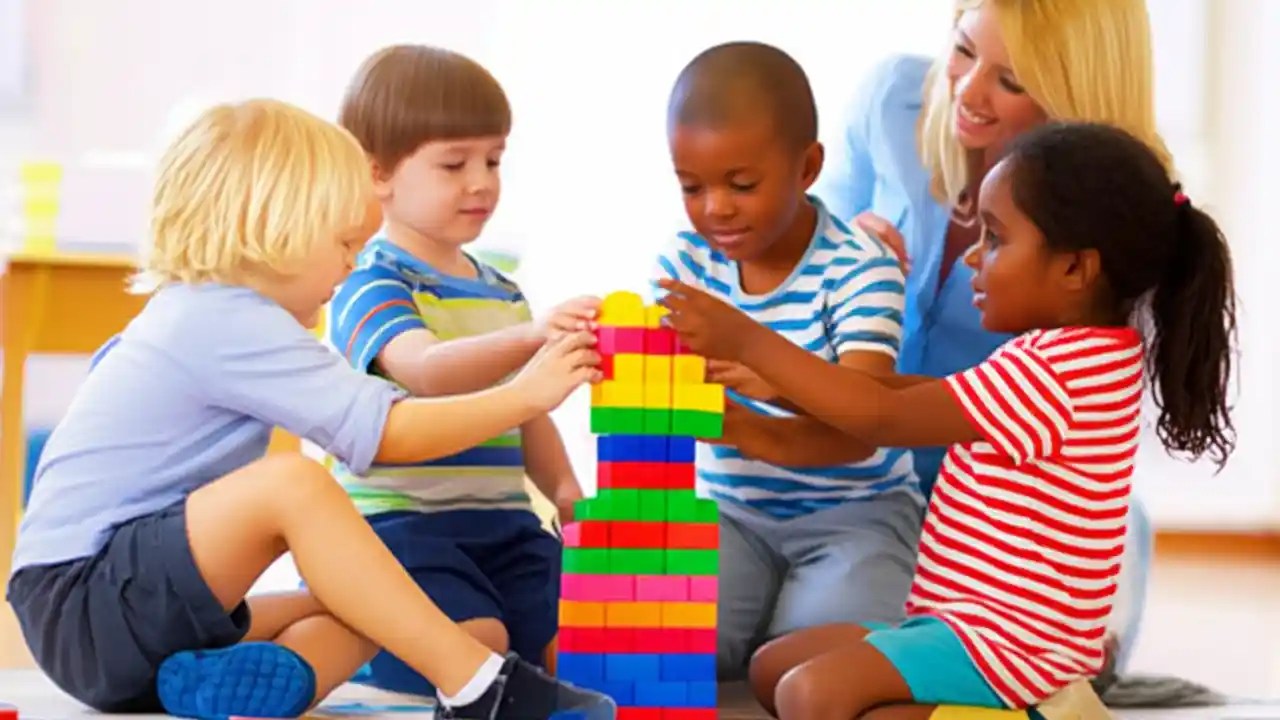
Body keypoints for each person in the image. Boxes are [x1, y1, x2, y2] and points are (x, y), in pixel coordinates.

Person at [5, 98, 615, 720]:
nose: (352, 264)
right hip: (85, 601)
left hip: (120, 624)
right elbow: (387, 433)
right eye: (345, 243)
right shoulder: (224, 319)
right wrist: (523, 394)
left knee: (374, 601)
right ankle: (481, 688)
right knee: (294, 485)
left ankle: (264, 683)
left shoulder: (192, 314)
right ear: (273, 232)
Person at [658, 120, 1237, 718]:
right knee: (773, 666)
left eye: (994, 238)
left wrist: (749, 341)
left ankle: (1036, 716)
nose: (971, 256)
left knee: (811, 693)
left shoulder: (1056, 371)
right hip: (965, 628)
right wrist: (777, 386)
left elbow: (883, 415)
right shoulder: (1074, 356)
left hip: (1007, 648)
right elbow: (901, 392)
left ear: (1074, 269)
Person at [813, 0, 1168, 676]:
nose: (966, 92)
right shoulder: (892, 103)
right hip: (854, 482)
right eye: (963, 48)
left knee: (1007, 662)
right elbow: (796, 254)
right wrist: (836, 253)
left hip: (1006, 528)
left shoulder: (1123, 217)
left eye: (1011, 80)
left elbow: (1087, 419)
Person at [328, 44, 599, 695]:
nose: (481, 181)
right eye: (455, 164)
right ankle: (349, 632)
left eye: (493, 160)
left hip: (504, 525)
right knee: (480, 649)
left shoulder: (502, 291)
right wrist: (533, 339)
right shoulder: (367, 279)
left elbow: (527, 412)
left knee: (584, 643)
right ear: (377, 174)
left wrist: (566, 492)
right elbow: (424, 370)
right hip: (396, 528)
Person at [652, 41, 925, 680]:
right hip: (732, 511)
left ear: (808, 168)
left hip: (858, 514)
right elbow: (660, 392)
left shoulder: (861, 267)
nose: (715, 207)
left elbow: (862, 429)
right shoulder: (685, 261)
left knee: (815, 661)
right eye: (692, 186)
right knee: (677, 648)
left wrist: (745, 417)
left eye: (741, 184)